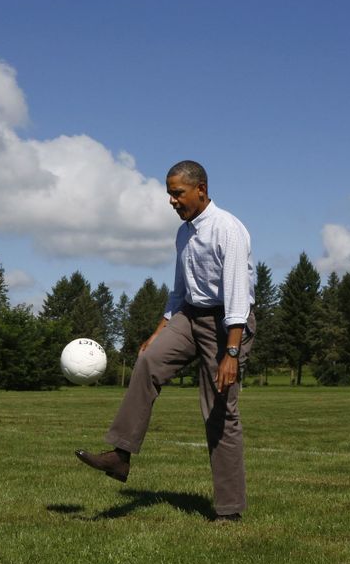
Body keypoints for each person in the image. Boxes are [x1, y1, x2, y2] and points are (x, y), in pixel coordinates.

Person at [75, 160, 255, 522]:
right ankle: (120, 456)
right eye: (169, 194)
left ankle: (229, 510)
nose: (172, 201)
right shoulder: (183, 234)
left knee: (220, 412)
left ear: (201, 190)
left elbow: (238, 295)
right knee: (148, 361)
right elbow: (179, 290)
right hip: (190, 315)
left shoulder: (228, 229)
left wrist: (231, 352)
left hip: (228, 323)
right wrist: (158, 332)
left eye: (178, 193)